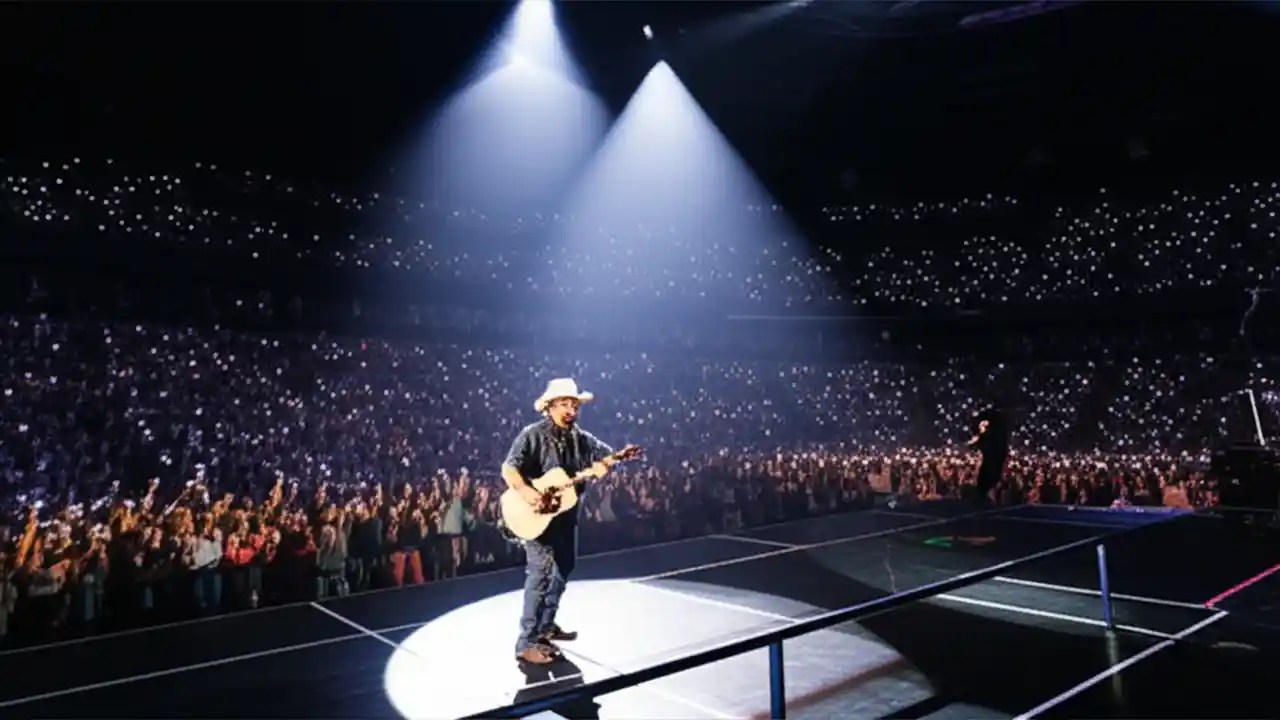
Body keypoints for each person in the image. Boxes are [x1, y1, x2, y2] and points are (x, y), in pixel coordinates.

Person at [502, 378, 617, 665]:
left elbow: (606, 455)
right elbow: (510, 468)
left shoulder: (581, 438)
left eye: (574, 404)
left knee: (565, 566)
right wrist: (528, 493)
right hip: (538, 516)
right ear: (550, 407)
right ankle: (526, 643)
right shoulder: (532, 435)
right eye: (564, 404)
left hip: (566, 515)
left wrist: (606, 464)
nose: (571, 409)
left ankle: (545, 626)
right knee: (540, 573)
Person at [967, 407, 1009, 506]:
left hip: (992, 464)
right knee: (986, 482)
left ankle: (985, 500)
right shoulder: (996, 436)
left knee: (987, 481)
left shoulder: (992, 437)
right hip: (992, 463)